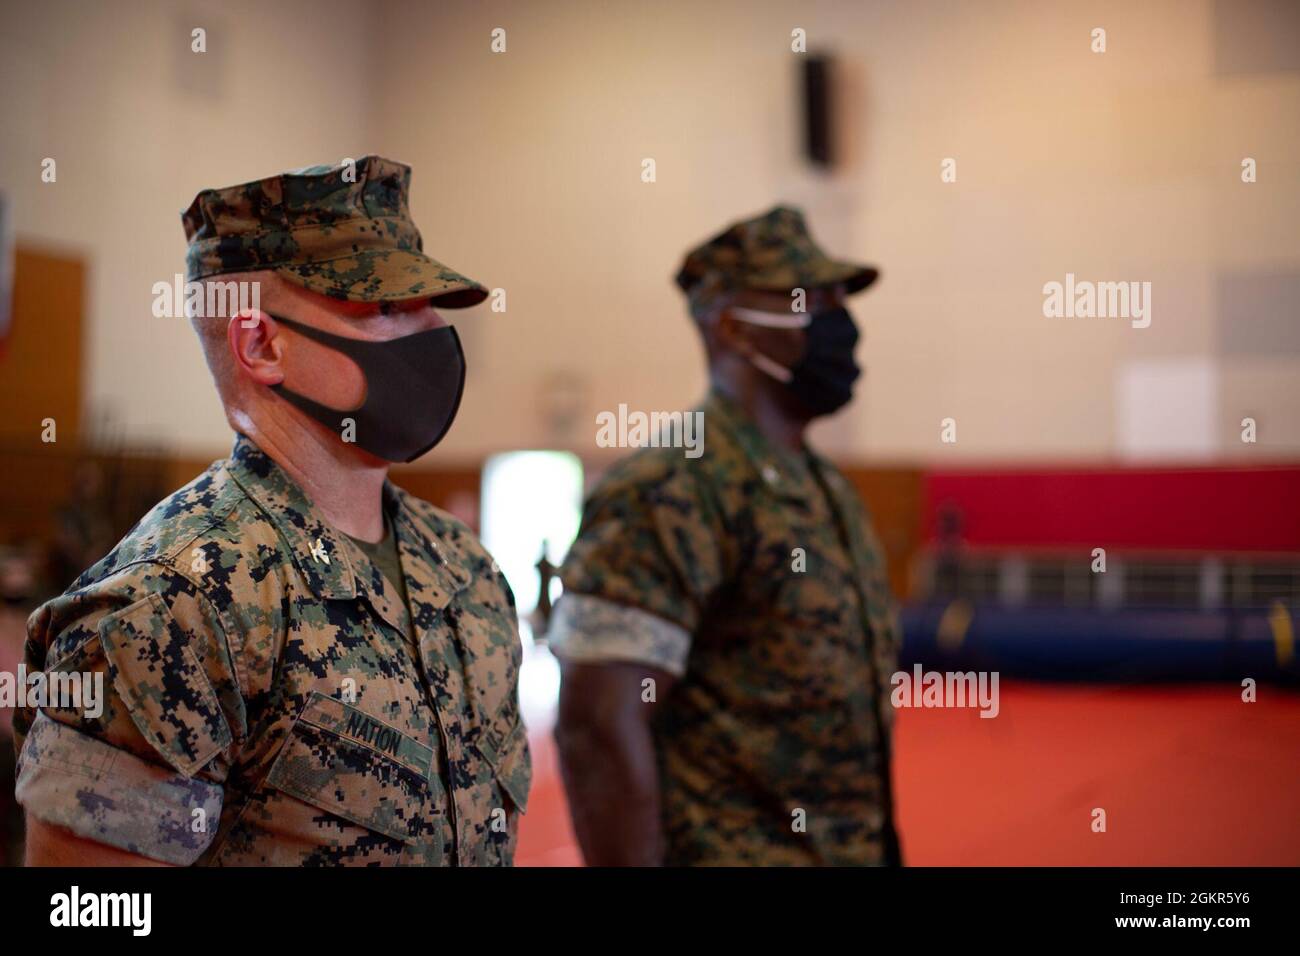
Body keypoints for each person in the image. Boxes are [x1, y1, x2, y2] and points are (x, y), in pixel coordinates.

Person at [13, 156, 530, 866]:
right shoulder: (169, 606)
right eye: (385, 306)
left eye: (427, 302)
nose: (433, 330)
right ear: (260, 344)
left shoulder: (465, 572)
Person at [550, 206, 901, 866]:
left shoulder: (825, 487)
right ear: (737, 328)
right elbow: (598, 725)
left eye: (837, 298)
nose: (838, 320)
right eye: (810, 299)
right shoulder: (674, 485)